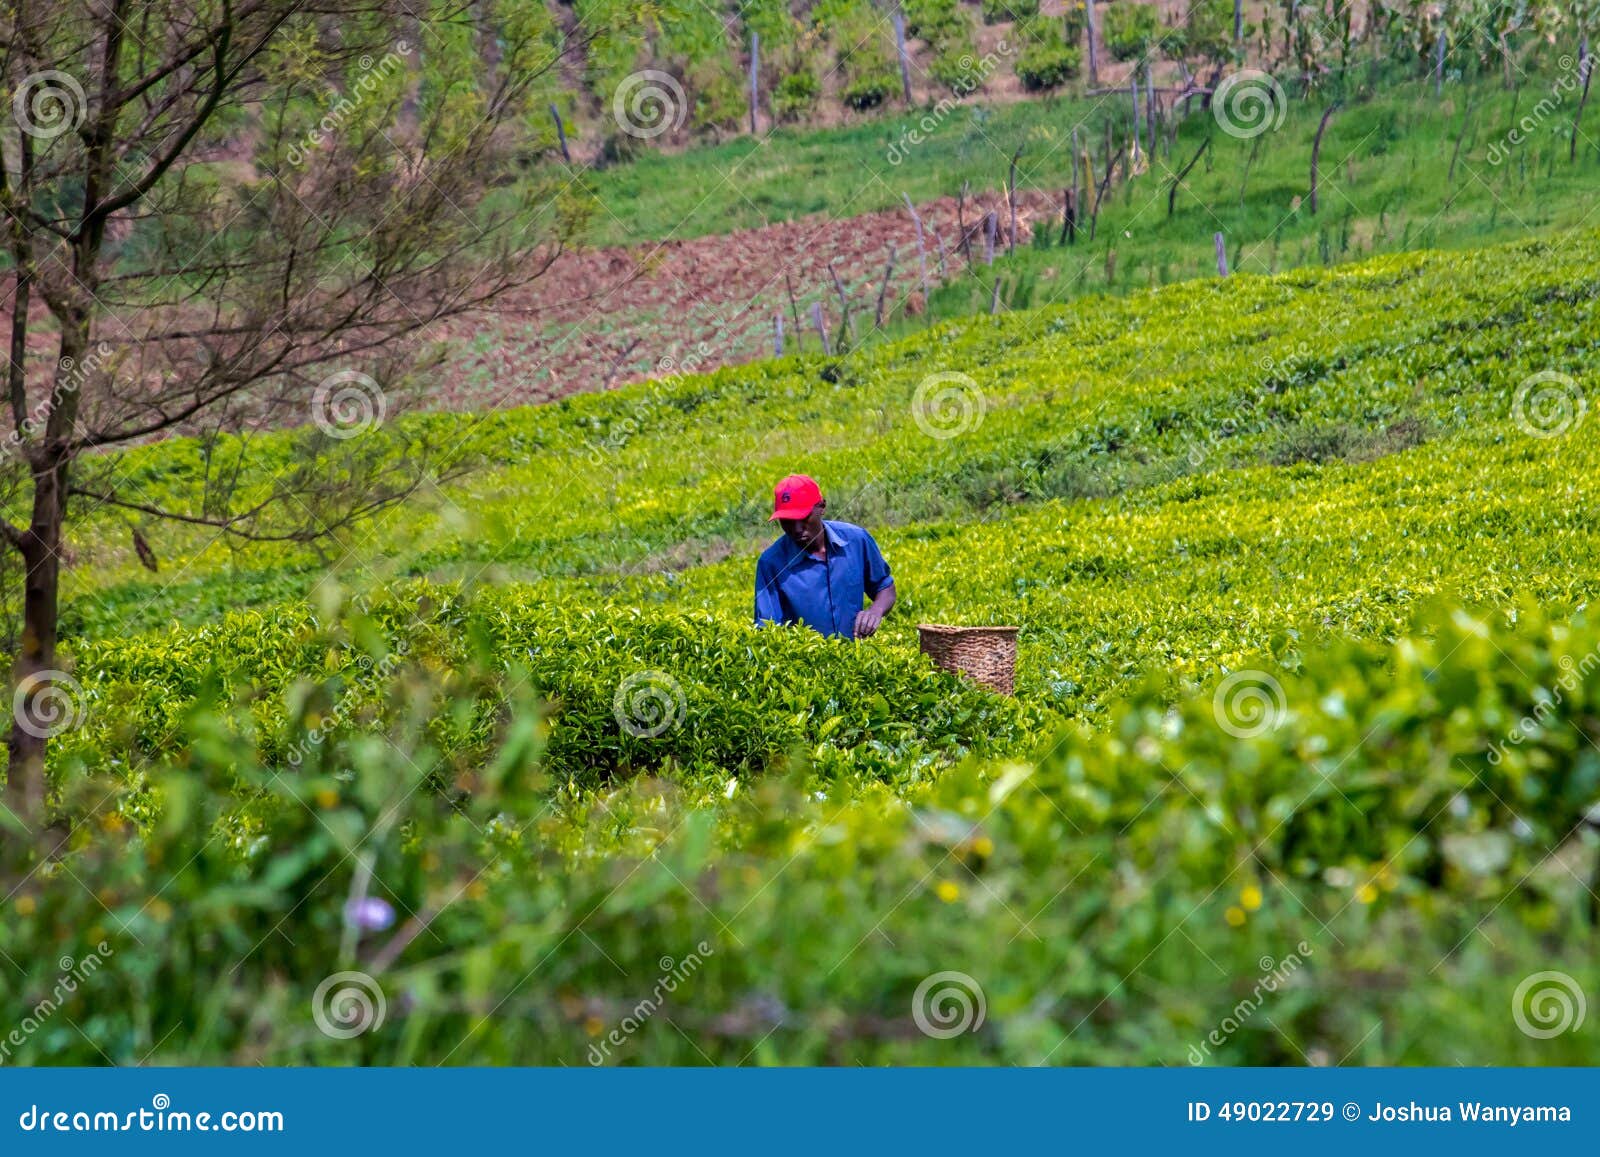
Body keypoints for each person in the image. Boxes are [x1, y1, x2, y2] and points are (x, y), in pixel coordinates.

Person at [754, 474, 896, 639]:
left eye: (803, 517)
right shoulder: (771, 563)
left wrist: (875, 611)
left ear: (822, 507)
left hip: (856, 658)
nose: (797, 528)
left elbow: (885, 587)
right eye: (787, 521)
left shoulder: (856, 540)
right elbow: (766, 630)